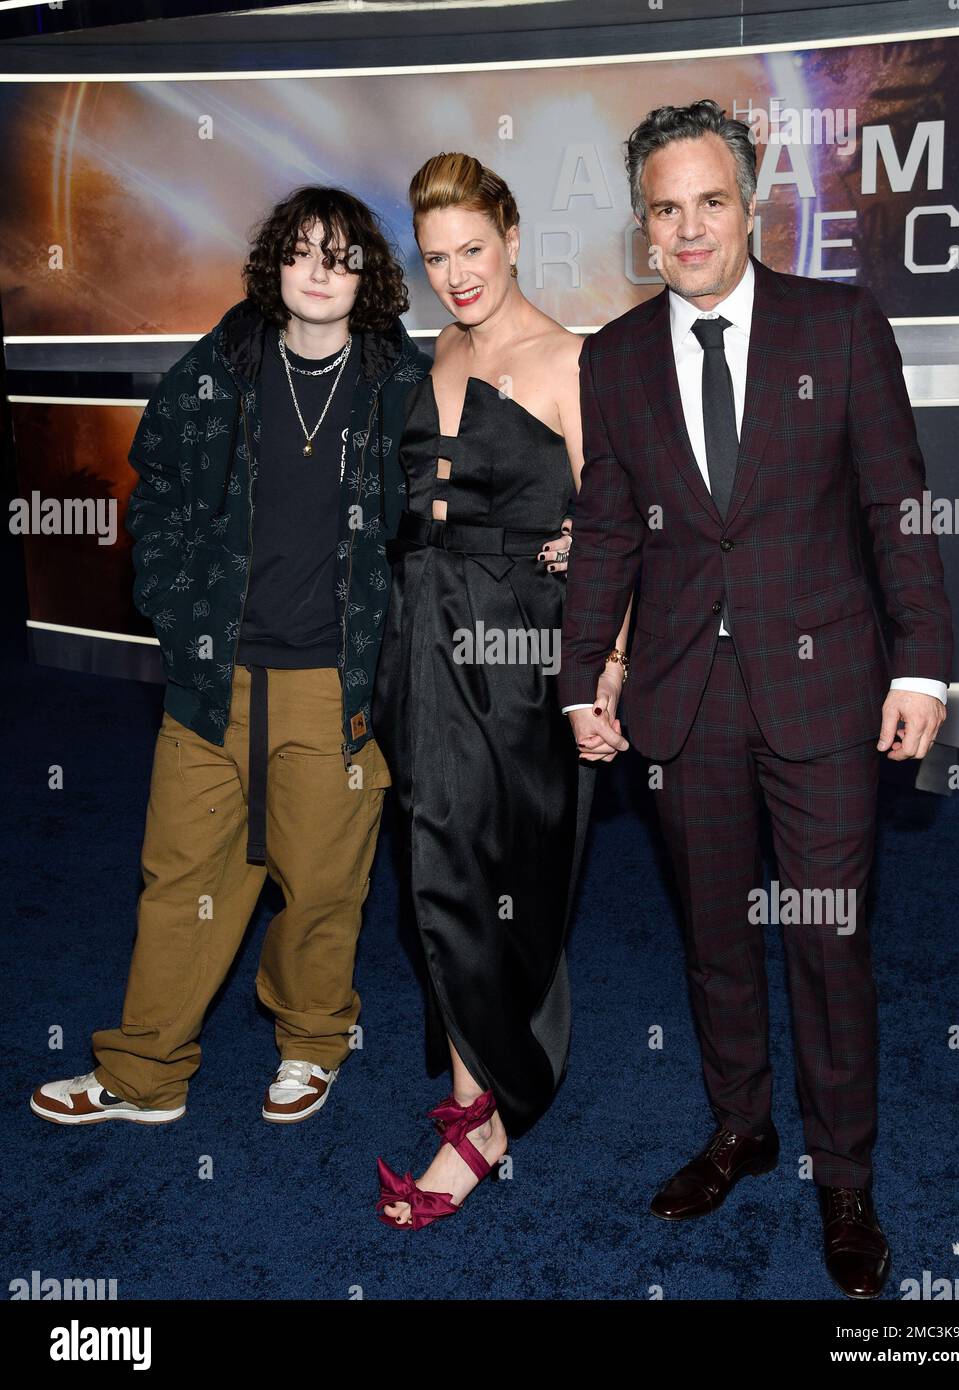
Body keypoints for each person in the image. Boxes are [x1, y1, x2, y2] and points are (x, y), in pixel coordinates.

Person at [559, 101, 952, 1298]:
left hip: (827, 688)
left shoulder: (837, 325)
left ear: (752, 205)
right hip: (684, 701)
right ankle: (742, 1126)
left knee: (827, 940)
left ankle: (844, 1176)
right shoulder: (615, 354)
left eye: (710, 201)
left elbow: (897, 504)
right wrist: (583, 676)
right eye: (664, 209)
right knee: (716, 940)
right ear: (642, 226)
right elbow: (610, 533)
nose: (689, 228)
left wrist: (921, 663)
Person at [31, 185, 430, 1127]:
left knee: (324, 884)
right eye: (301, 252)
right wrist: (174, 608)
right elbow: (158, 488)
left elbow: (441, 521)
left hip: (336, 685)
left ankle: (310, 1042)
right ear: (274, 267)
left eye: (341, 254)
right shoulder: (222, 365)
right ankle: (143, 1077)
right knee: (180, 880)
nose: (320, 271)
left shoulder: (401, 386)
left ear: (367, 273)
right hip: (213, 679)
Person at [371, 153, 623, 1229]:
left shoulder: (574, 361)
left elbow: (619, 534)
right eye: (435, 257)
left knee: (491, 865)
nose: (456, 275)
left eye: (472, 249)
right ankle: (482, 1091)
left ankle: (490, 1102)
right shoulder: (436, 350)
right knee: (430, 854)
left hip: (521, 660)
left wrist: (605, 668)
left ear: (513, 239)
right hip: (419, 647)